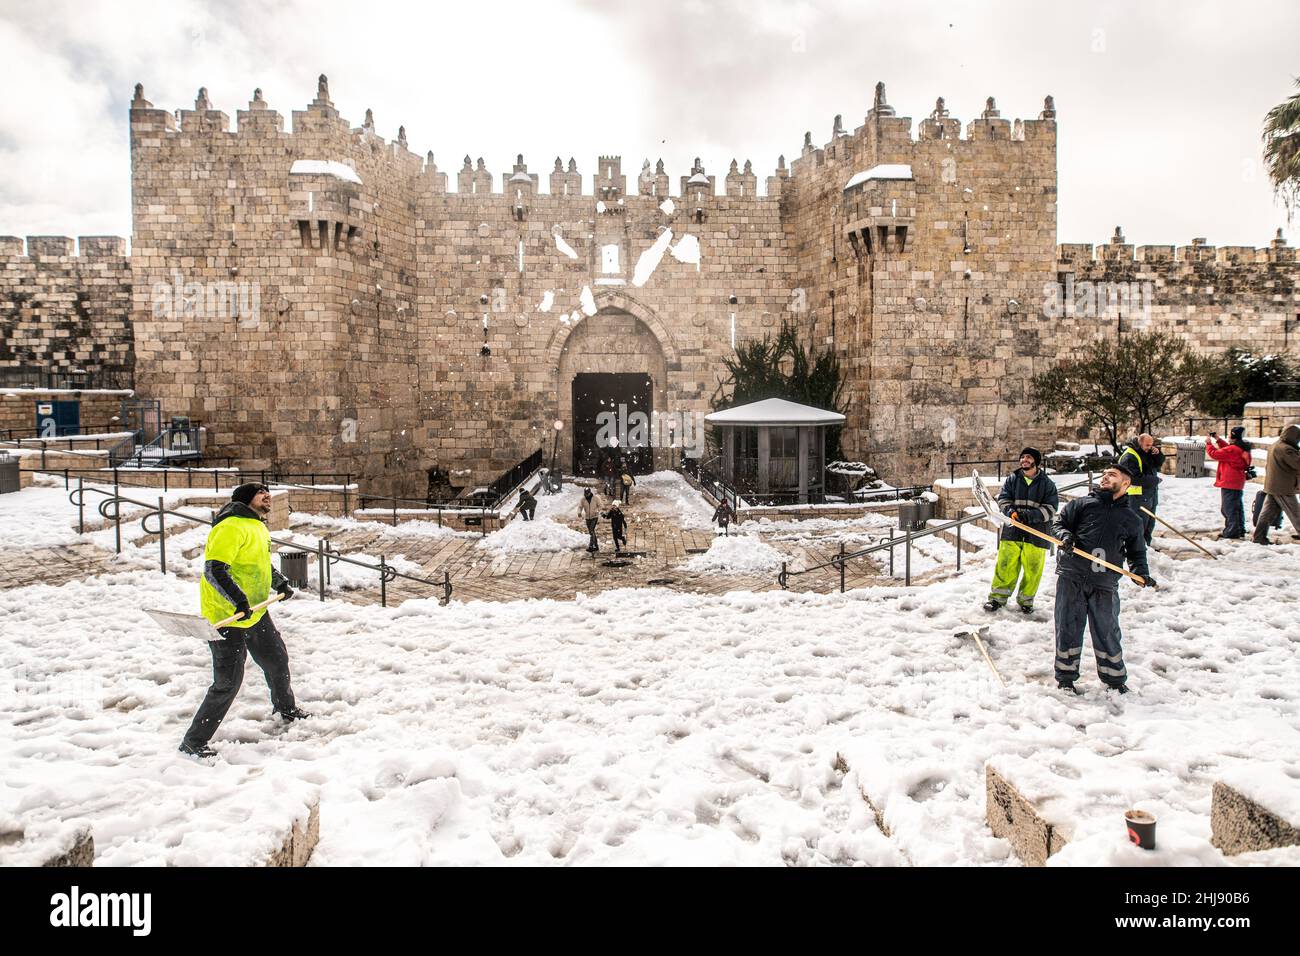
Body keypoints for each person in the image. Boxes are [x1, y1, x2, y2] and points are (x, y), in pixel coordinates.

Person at [179, 483, 308, 759]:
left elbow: (258, 564)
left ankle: (286, 709)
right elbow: (214, 569)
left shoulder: (258, 527)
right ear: (245, 499)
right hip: (228, 617)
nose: (268, 495)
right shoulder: (229, 527)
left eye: (268, 492)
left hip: (255, 613)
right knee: (228, 682)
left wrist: (279, 582)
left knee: (277, 661)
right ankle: (193, 741)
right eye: (261, 492)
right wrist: (238, 600)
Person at [1052, 460, 1156, 695]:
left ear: (1126, 483)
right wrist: (1065, 537)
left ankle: (1115, 679)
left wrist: (1141, 573)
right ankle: (1066, 678)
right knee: (1068, 626)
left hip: (1105, 583)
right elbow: (1058, 524)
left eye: (1112, 475)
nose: (1105, 478)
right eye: (1105, 474)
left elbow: (1137, 552)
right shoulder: (1082, 504)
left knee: (1107, 630)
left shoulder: (1131, 519)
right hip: (1072, 576)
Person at [983, 447, 1059, 614]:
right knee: (1005, 564)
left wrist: (1030, 516)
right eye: (1022, 456)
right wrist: (1011, 512)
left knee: (1033, 568)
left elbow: (1051, 508)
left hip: (1037, 533)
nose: (1024, 459)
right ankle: (997, 598)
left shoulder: (1047, 484)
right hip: (1013, 530)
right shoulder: (1013, 479)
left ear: (1036, 462)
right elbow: (1003, 498)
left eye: (1029, 457)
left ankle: (1026, 601)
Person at [1252, 424, 1300, 545]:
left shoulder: (1275, 445)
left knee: (1267, 513)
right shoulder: (1286, 449)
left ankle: (1259, 536)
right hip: (1282, 487)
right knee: (1295, 512)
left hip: (1273, 485)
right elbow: (1297, 464)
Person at [1117, 433, 1164, 546]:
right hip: (1136, 497)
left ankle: (1146, 547)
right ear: (1139, 443)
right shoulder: (1130, 456)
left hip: (1149, 495)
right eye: (1147, 445)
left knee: (1149, 524)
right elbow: (1134, 478)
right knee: (1139, 525)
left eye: (1151, 445)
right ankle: (1137, 549)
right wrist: (1155, 480)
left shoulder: (1145, 452)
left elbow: (1158, 464)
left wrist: (1158, 454)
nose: (1149, 447)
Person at [1206, 428, 1252, 539]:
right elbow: (1227, 449)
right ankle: (1239, 529)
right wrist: (1218, 440)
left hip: (1229, 482)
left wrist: (1208, 444)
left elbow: (1215, 454)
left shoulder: (1233, 450)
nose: (1228, 436)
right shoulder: (1239, 447)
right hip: (1236, 481)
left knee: (1229, 508)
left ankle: (1232, 531)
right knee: (1236, 507)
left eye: (1229, 435)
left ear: (1233, 436)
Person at [577, 487, 602, 552]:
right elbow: (580, 506)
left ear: (590, 492)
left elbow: (600, 506)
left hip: (594, 517)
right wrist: (579, 512)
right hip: (587, 518)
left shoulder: (595, 498)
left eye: (587, 493)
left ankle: (591, 545)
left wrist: (597, 510)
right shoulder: (583, 499)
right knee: (591, 531)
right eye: (585, 494)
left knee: (591, 530)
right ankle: (596, 546)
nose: (586, 495)